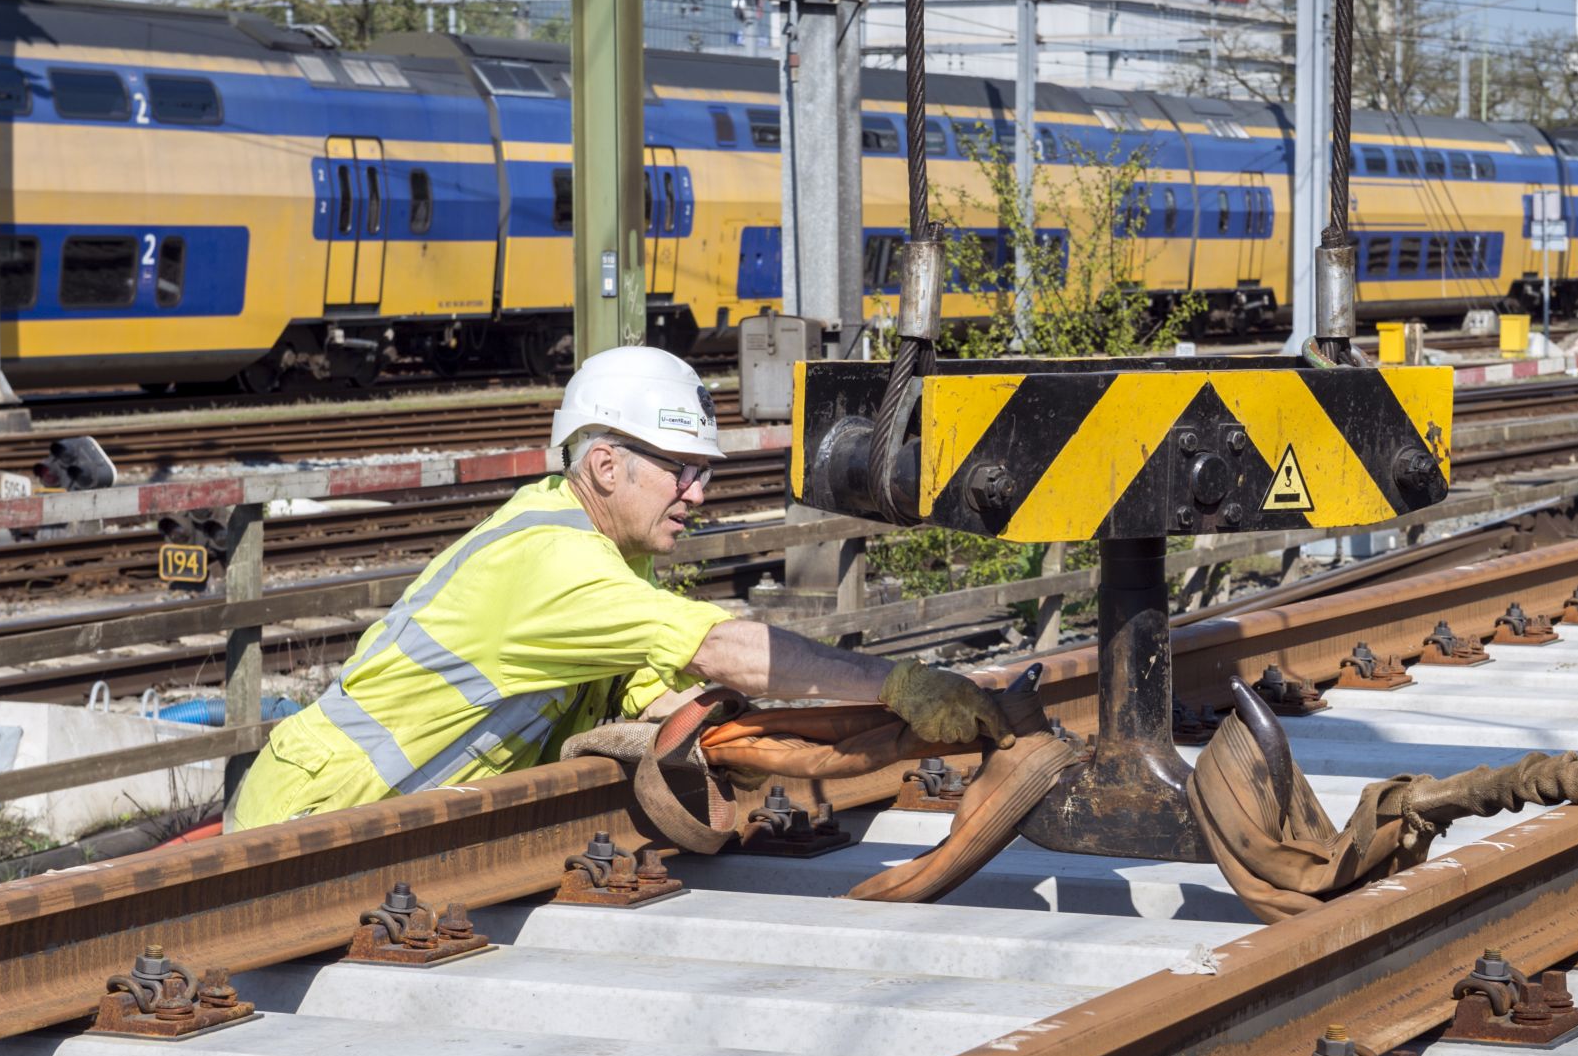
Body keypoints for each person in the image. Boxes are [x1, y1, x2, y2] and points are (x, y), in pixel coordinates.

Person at [226, 345, 1010, 830]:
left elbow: (661, 701)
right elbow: (720, 649)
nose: (698, 493)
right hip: (317, 817)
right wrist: (896, 686)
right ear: (606, 466)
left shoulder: (605, 554)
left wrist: (824, 736)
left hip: (375, 813)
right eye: (684, 469)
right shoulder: (553, 568)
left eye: (703, 472)